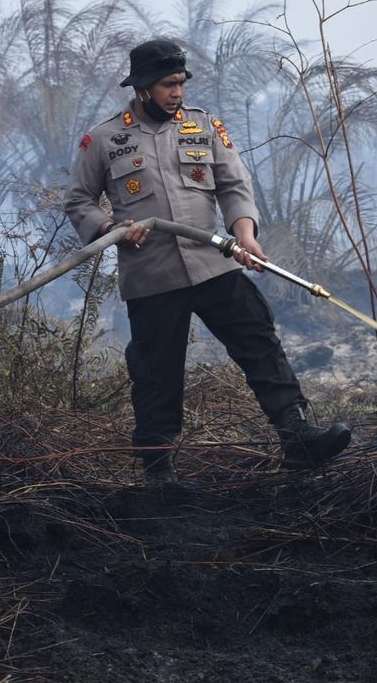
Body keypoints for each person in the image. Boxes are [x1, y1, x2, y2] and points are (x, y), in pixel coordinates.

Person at [64, 39, 351, 483]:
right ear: (142, 87)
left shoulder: (203, 126)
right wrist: (109, 229)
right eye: (167, 85)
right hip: (152, 277)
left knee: (259, 342)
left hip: (214, 262)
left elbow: (234, 185)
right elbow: (78, 199)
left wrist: (245, 234)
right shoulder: (104, 139)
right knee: (156, 373)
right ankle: (159, 472)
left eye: (180, 83)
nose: (177, 93)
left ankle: (297, 436)